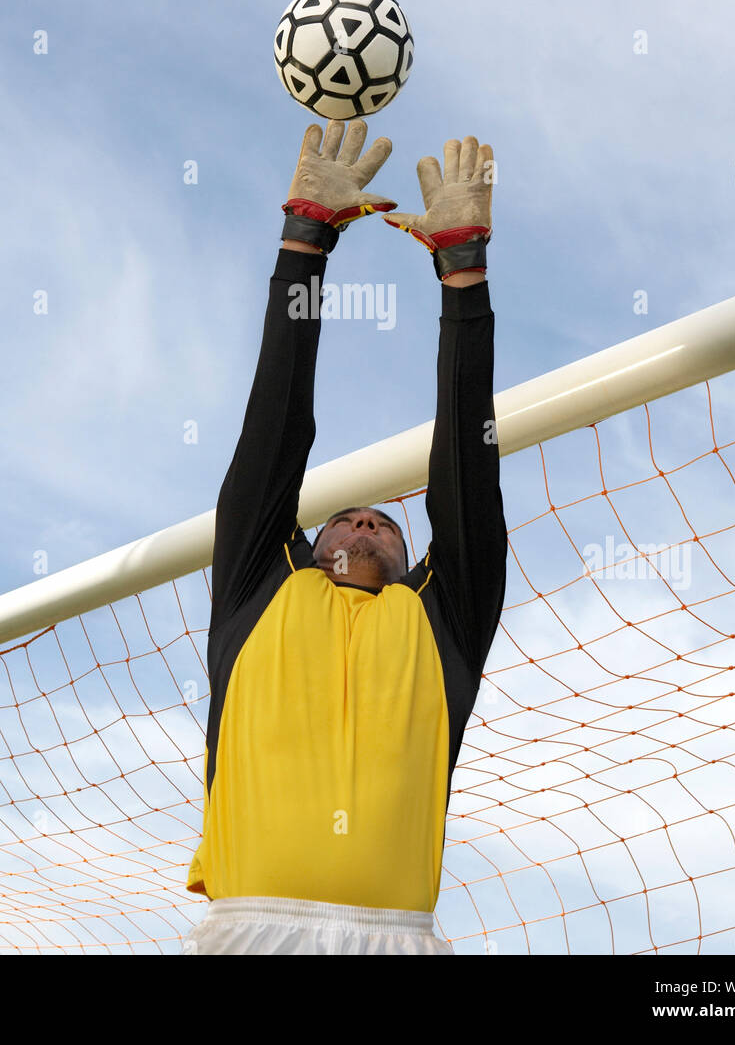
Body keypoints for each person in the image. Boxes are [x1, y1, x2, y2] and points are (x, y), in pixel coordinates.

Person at [183, 119, 507, 955]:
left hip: (398, 939)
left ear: (411, 563)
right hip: (246, 933)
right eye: (348, 518)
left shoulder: (444, 621)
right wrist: (305, 243)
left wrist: (461, 276)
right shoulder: (259, 586)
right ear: (309, 544)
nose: (365, 521)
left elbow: (467, 472)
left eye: (385, 523)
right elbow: (275, 424)